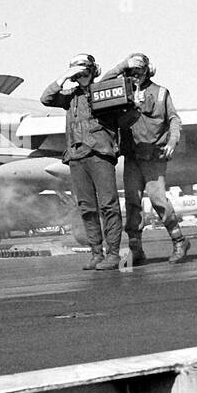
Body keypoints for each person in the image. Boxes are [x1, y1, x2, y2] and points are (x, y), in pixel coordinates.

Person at [99, 52, 189, 264]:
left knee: (158, 200)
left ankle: (179, 241)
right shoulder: (121, 92)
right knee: (132, 202)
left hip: (154, 156)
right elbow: (100, 87)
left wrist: (172, 142)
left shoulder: (161, 93)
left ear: (148, 71)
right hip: (132, 156)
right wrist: (122, 65)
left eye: (138, 71)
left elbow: (174, 119)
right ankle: (135, 248)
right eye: (131, 71)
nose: (135, 75)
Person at [41, 53, 126, 270]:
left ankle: (113, 254)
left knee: (108, 205)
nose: (81, 74)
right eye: (76, 70)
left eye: (84, 69)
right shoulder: (69, 98)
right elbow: (46, 98)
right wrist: (64, 76)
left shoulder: (103, 92)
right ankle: (96, 253)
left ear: (92, 70)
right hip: (77, 157)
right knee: (87, 208)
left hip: (100, 155)